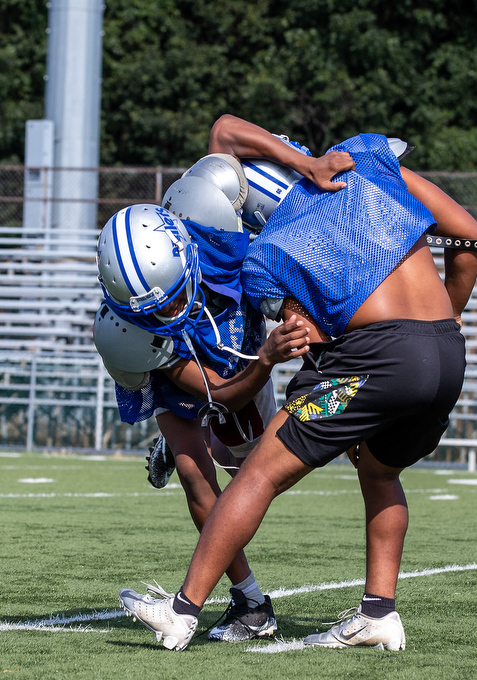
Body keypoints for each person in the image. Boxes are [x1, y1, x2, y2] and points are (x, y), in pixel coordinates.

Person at [118, 114, 477, 651]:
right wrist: (443, 320)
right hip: (446, 355)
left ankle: (181, 610)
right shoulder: (371, 164)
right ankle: (378, 613)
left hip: (377, 361)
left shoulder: (277, 247)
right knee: (380, 473)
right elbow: (469, 236)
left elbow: (303, 337)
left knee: (259, 473)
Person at [94, 195, 313, 641]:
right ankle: (251, 602)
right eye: (156, 310)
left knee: (255, 471)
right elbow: (224, 394)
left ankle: (199, 442)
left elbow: (227, 133)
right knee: (197, 474)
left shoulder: (212, 231)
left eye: (174, 299)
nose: (171, 314)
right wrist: (267, 361)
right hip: (212, 377)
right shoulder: (134, 329)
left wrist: (307, 166)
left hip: (240, 345)